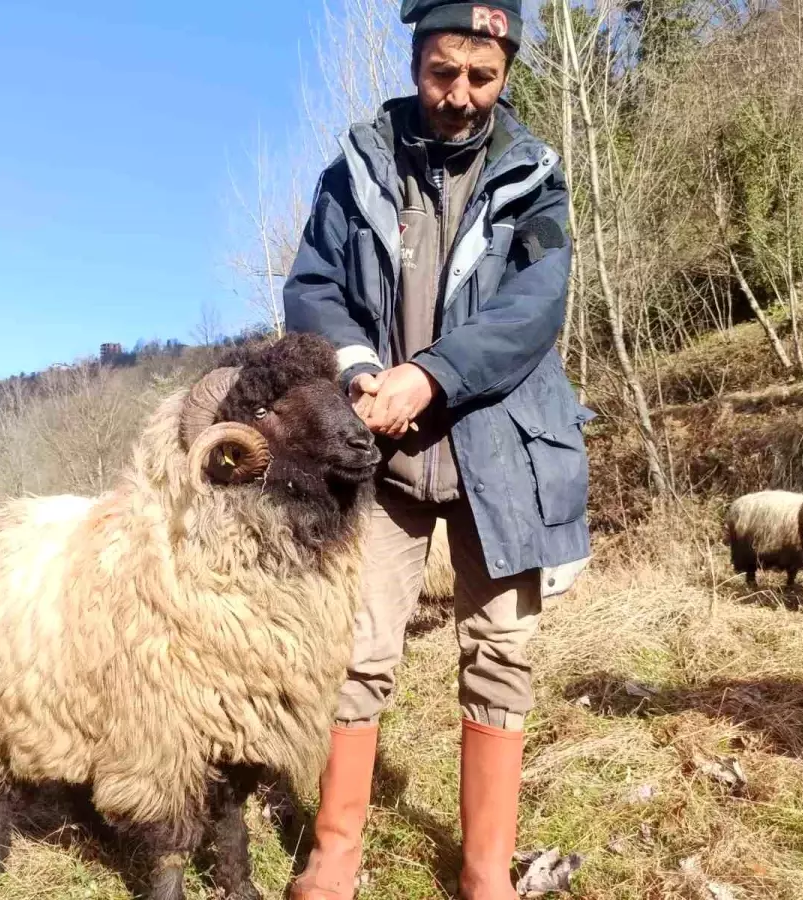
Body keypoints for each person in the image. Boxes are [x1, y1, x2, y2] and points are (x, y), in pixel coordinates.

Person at [281, 1, 595, 898]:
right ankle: (336, 854)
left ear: (507, 71)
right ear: (417, 59)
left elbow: (534, 308)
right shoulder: (354, 169)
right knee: (355, 648)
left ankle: (485, 870)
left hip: (501, 449)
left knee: (500, 651)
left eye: (481, 76)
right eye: (441, 72)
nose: (458, 95)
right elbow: (314, 286)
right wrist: (357, 372)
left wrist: (433, 374)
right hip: (375, 454)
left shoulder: (536, 177)